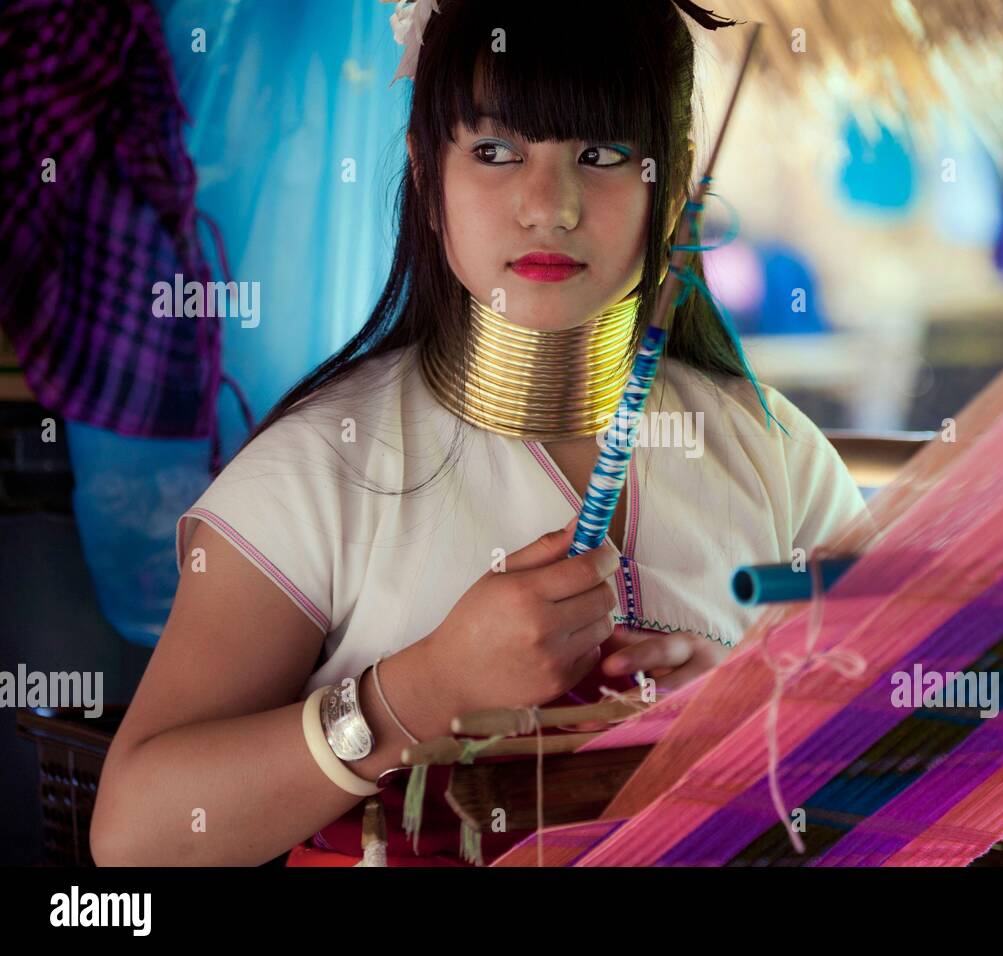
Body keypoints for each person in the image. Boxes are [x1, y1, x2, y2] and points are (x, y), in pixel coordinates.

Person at [91, 0, 867, 867]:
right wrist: (421, 692)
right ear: (428, 180)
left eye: (603, 154)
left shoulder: (779, 459)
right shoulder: (320, 470)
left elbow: (887, 748)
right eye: (495, 152)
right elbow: (138, 835)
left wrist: (737, 716)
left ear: (673, 180)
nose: (549, 206)